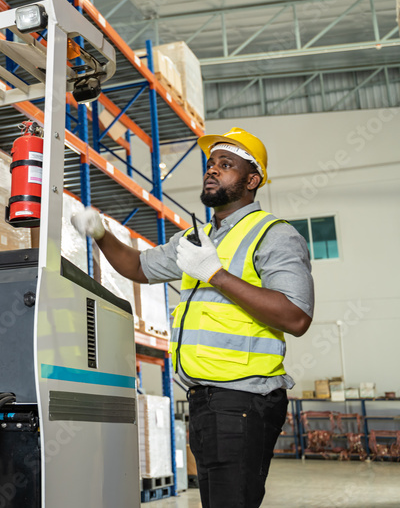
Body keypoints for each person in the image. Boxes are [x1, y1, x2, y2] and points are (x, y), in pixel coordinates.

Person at [71, 127, 313, 508]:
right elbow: (138, 266)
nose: (212, 170)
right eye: (211, 163)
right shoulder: (195, 240)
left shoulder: (274, 235)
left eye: (226, 164)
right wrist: (100, 233)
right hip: (205, 401)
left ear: (252, 180)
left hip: (244, 401)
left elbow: (296, 316)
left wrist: (216, 274)